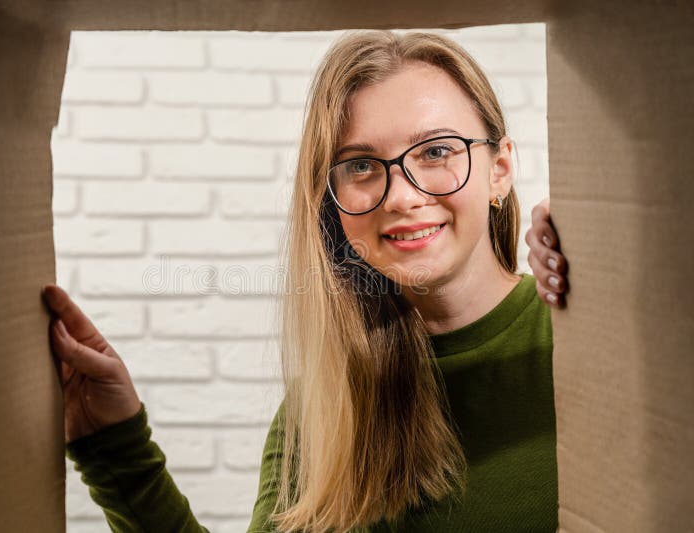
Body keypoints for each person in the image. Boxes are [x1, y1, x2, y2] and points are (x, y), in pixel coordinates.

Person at [42, 30, 569, 533]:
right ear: (332, 205)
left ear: (499, 169)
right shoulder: (321, 411)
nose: (401, 197)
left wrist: (623, 254)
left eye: (435, 151)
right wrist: (116, 447)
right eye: (361, 164)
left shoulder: (580, 340)